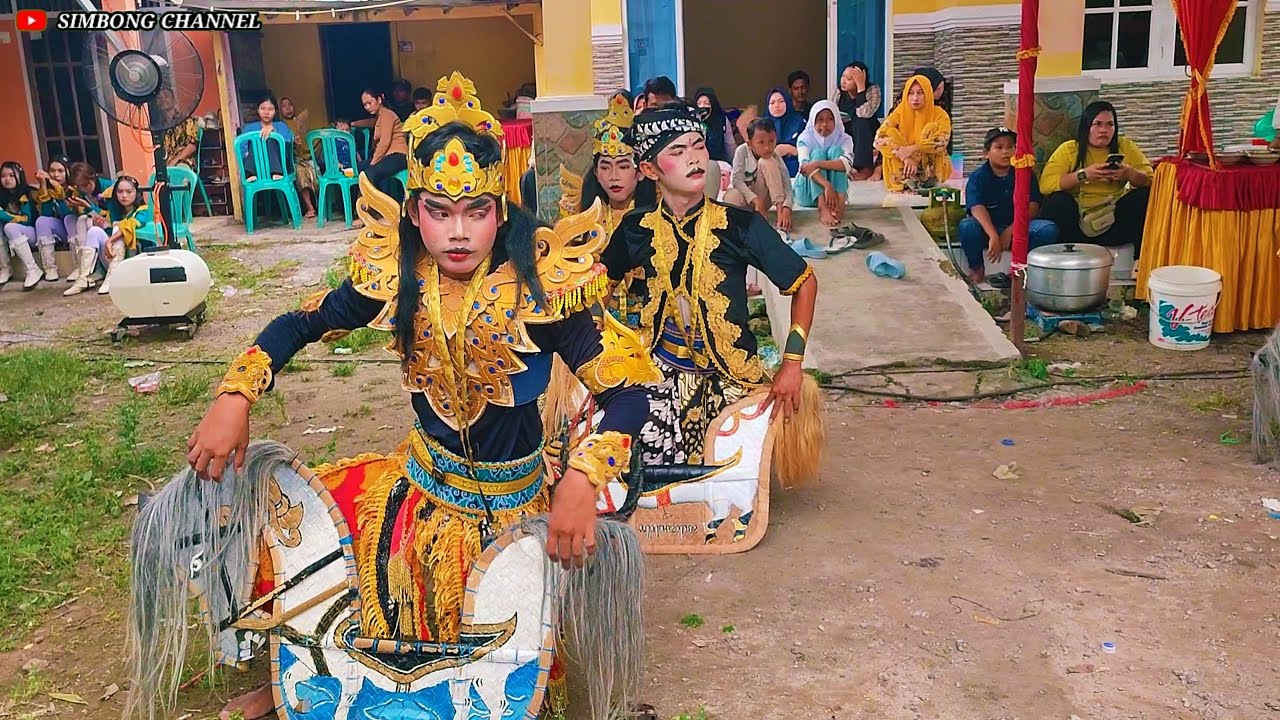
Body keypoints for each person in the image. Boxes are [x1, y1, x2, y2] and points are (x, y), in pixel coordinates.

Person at [188, 72, 654, 720]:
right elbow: (300, 322)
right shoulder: (394, 278)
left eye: (476, 211)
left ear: (501, 208)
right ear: (414, 213)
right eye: (440, 210)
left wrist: (580, 477)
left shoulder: (541, 287)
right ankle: (286, 676)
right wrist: (235, 394)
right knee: (308, 547)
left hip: (515, 503)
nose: (457, 231)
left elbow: (629, 392)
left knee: (501, 659)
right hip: (420, 483)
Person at [601, 102, 823, 484]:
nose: (694, 159)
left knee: (734, 462)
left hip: (730, 376)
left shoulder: (740, 226)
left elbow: (804, 282)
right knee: (614, 444)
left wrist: (791, 363)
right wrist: (602, 346)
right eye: (678, 150)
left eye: (699, 146)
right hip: (660, 372)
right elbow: (598, 286)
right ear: (650, 169)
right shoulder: (635, 229)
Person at [1038, 101, 1152, 258]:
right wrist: (1083, 175)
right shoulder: (1070, 149)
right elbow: (1046, 185)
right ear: (1087, 127)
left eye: (1109, 125)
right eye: (1097, 124)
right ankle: (1065, 259)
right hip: (1077, 226)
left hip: (1113, 221)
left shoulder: (1125, 146)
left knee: (1144, 196)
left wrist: (1129, 174)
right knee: (1056, 201)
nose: (1104, 130)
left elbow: (1151, 180)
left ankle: (1140, 261)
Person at [959, 127, 1059, 284]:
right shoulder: (978, 177)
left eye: (1010, 147)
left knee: (1047, 229)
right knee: (967, 226)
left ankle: (1020, 270)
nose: (1005, 152)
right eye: (999, 147)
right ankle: (977, 269)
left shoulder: (1025, 173)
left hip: (1018, 228)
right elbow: (976, 207)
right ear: (986, 153)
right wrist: (993, 235)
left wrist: (1011, 231)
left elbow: (1033, 205)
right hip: (988, 231)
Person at [875, 74, 952, 193]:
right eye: (910, 93)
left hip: (930, 170)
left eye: (920, 93)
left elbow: (942, 141)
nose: (915, 98)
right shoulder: (899, 112)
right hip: (903, 167)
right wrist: (905, 157)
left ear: (928, 94)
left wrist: (912, 149)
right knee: (890, 133)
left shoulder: (939, 114)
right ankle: (905, 182)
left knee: (930, 128)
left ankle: (925, 182)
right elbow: (878, 138)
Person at [725, 118, 794, 232]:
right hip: (746, 200)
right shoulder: (741, 151)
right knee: (731, 196)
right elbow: (737, 181)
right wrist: (756, 200)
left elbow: (787, 185)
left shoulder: (775, 156)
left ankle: (779, 214)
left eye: (771, 141)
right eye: (761, 142)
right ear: (750, 143)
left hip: (764, 199)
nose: (767, 147)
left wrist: (786, 209)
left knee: (768, 162)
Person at [792, 101, 853, 227]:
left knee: (836, 152)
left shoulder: (844, 139)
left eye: (830, 119)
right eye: (820, 119)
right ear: (813, 121)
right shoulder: (805, 138)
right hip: (807, 192)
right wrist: (826, 185)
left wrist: (817, 164)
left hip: (833, 195)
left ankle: (839, 203)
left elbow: (846, 164)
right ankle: (823, 207)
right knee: (817, 153)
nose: (825, 124)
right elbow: (804, 168)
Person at [93, 175, 153, 296]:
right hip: (116, 257)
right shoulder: (117, 212)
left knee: (120, 230)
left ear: (137, 193)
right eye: (119, 192)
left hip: (137, 258)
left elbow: (128, 226)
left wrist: (110, 241)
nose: (124, 195)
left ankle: (112, 279)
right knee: (94, 230)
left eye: (129, 191)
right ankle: (83, 278)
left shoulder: (144, 210)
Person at [832, 61, 881, 180]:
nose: (843, 81)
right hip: (847, 129)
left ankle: (865, 169)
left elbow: (864, 113)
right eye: (842, 76)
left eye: (849, 78)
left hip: (867, 131)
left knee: (861, 122)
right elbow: (832, 114)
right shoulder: (839, 93)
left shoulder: (872, 90)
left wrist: (861, 88)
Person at [360, 87, 409, 202]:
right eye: (365, 105)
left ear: (379, 100)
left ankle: (373, 208)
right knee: (357, 169)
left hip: (398, 156)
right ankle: (354, 208)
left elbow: (385, 142)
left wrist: (374, 161)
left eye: (369, 103)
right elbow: (370, 123)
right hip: (387, 156)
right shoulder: (379, 117)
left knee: (369, 174)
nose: (367, 107)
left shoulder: (387, 115)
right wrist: (351, 123)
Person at [0, 161, 41, 290]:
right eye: (3, 176)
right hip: (10, 238)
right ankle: (5, 268)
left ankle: (33, 269)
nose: (7, 179)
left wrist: (2, 214)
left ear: (20, 176)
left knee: (9, 227)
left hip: (32, 234)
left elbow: (26, 219)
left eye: (12, 175)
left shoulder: (28, 192)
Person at [33, 157, 74, 283]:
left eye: (60, 171)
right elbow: (47, 214)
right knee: (42, 221)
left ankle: (79, 266)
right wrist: (44, 185)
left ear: (67, 172)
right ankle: (50, 268)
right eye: (52, 171)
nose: (56, 175)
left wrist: (61, 196)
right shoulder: (49, 188)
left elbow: (70, 214)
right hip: (61, 230)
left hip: (75, 229)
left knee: (69, 218)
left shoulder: (74, 187)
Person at [279, 97, 318, 219]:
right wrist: (292, 142)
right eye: (284, 106)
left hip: (308, 156)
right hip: (294, 160)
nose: (288, 108)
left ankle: (321, 206)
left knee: (316, 174)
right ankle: (310, 207)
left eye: (290, 105)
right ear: (279, 110)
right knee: (301, 174)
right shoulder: (282, 126)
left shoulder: (300, 122)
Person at [240, 95, 292, 181]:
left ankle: (276, 171)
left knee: (271, 138)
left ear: (275, 112)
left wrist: (274, 132)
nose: (266, 112)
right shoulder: (249, 128)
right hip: (256, 166)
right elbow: (242, 149)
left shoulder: (281, 126)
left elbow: (288, 145)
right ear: (258, 110)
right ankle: (250, 173)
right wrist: (250, 153)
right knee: (255, 139)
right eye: (263, 109)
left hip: (280, 166)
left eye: (270, 109)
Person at [912, 66, 953, 153]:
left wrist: (915, 148)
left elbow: (942, 139)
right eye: (937, 89)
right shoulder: (902, 109)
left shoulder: (941, 109)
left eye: (942, 88)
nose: (940, 92)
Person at [694, 87, 736, 165]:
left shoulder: (722, 120)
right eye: (699, 103)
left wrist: (734, 164)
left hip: (718, 164)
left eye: (707, 103)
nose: (702, 107)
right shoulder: (691, 121)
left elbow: (730, 146)